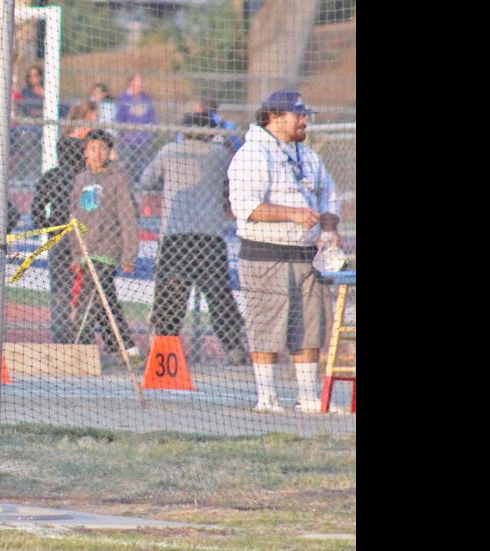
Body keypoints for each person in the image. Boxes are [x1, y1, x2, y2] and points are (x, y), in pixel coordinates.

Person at [227, 90, 341, 414]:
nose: (305, 121)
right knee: (266, 324)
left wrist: (329, 227)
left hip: (306, 254)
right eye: (299, 115)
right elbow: (245, 207)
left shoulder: (306, 155)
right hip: (266, 253)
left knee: (309, 326)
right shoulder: (253, 154)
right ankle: (267, 397)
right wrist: (293, 213)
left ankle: (308, 397)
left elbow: (328, 193)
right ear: (274, 118)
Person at [139, 113, 245, 363]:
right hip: (209, 237)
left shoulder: (169, 151)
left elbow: (146, 181)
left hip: (176, 237)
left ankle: (163, 352)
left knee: (170, 296)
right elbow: (231, 185)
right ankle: (233, 348)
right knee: (219, 295)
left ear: (185, 131)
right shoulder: (219, 155)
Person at [68, 129, 139, 356]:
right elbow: (76, 218)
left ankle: (80, 346)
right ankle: (125, 347)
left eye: (102, 149)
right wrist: (76, 254)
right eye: (92, 149)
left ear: (110, 152)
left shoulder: (118, 179)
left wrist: (129, 254)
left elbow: (128, 218)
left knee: (91, 297)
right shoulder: (81, 179)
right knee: (104, 299)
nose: (97, 154)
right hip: (86, 250)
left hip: (107, 248)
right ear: (85, 152)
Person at [30, 134, 85, 344]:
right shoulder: (85, 177)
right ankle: (80, 335)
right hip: (81, 238)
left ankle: (62, 336)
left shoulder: (54, 175)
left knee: (61, 289)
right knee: (82, 289)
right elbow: (37, 207)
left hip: (60, 237)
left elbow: (37, 208)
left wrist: (46, 227)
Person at [113, 73, 157, 172]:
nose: (141, 85)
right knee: (127, 167)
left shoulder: (146, 98)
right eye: (139, 82)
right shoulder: (123, 98)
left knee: (143, 167)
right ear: (131, 83)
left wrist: (150, 134)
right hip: (128, 141)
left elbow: (152, 118)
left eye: (142, 82)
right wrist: (124, 132)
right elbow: (119, 118)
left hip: (144, 141)